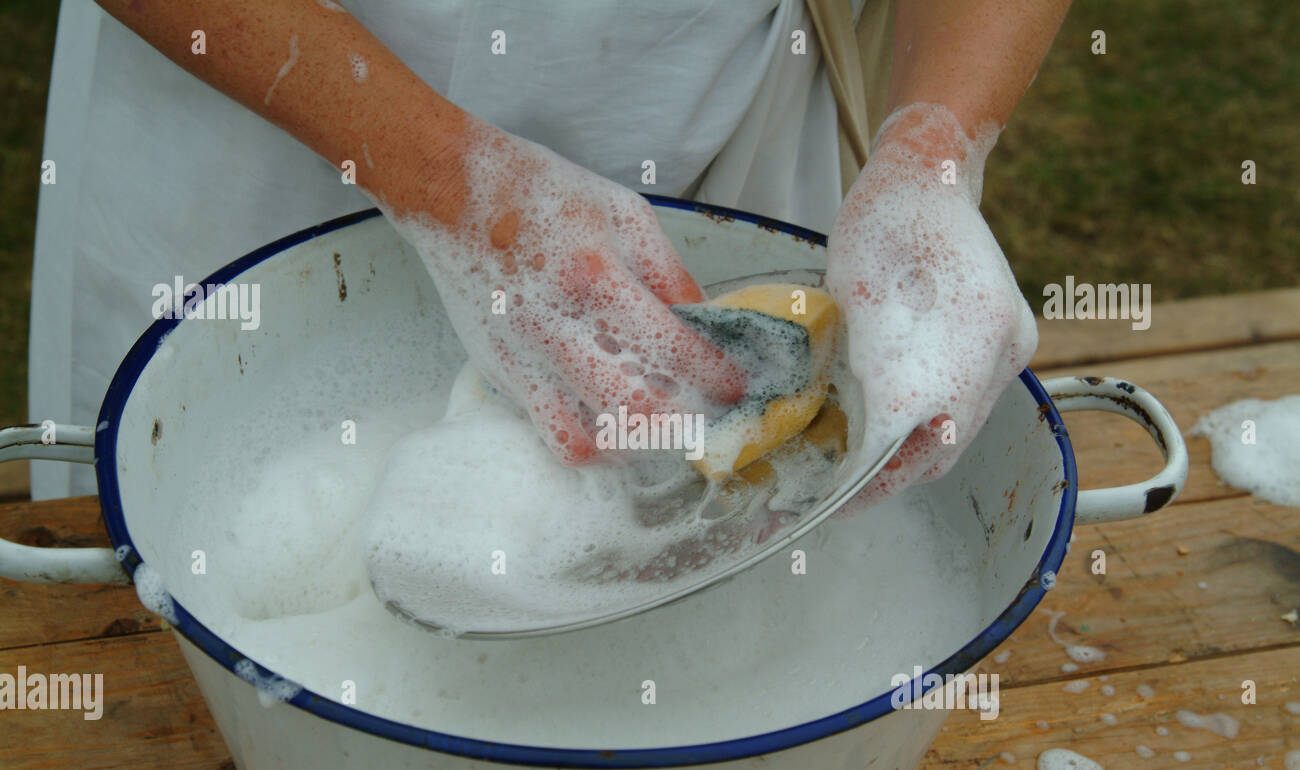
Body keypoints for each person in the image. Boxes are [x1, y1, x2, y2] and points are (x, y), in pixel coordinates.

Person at [30, 0, 1066, 501]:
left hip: (718, 101)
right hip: (269, 107)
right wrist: (437, 174)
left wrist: (936, 140)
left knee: (727, 566)